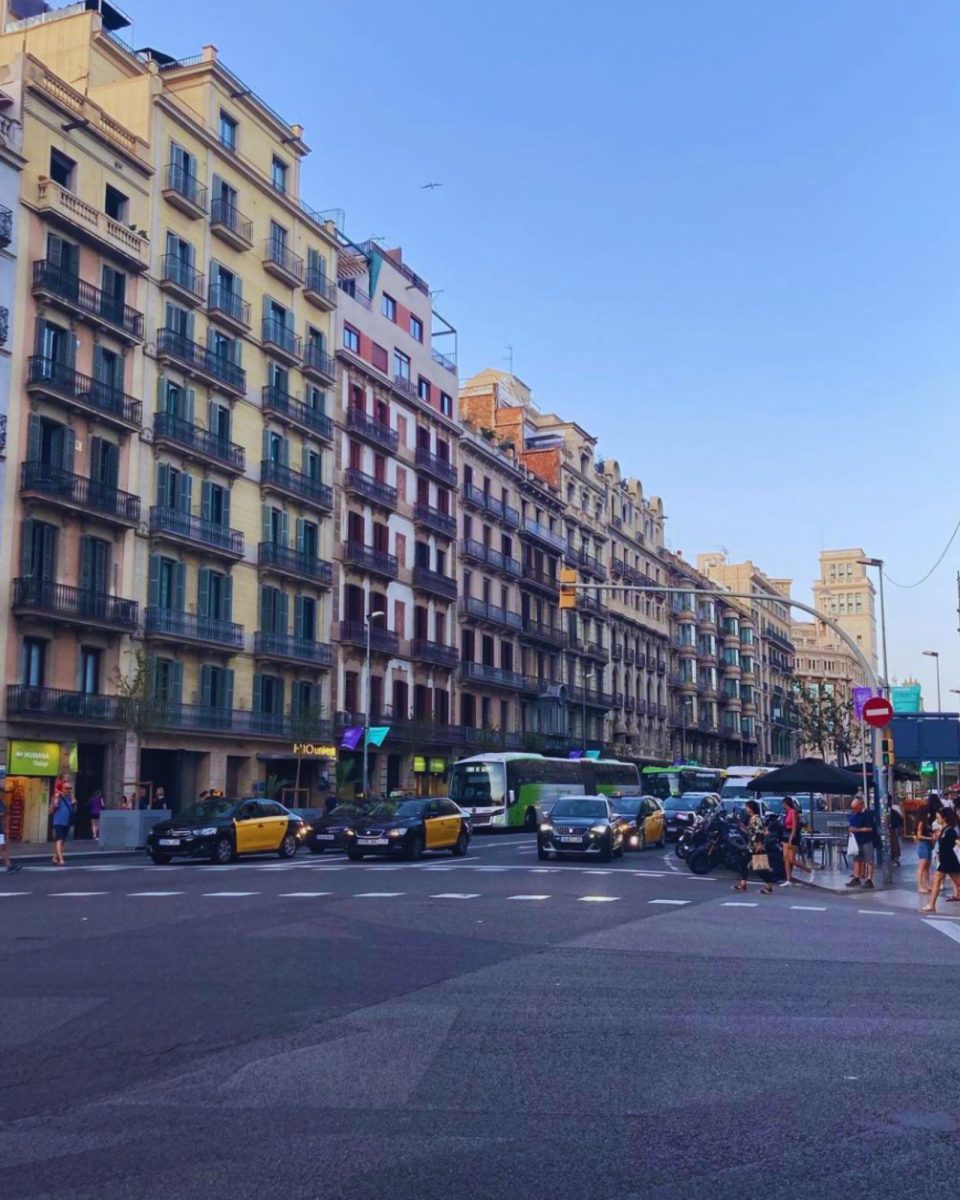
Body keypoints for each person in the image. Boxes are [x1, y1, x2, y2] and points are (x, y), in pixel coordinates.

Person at [922, 807, 960, 914]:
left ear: (944, 818)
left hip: (948, 859)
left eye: (938, 817)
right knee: (957, 882)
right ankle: (931, 905)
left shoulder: (950, 831)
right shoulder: (945, 829)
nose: (937, 819)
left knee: (937, 879)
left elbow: (957, 841)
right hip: (946, 859)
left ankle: (931, 905)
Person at [733, 800, 774, 895]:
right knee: (744, 862)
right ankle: (743, 884)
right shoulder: (752, 818)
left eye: (747, 807)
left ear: (751, 808)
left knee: (759, 867)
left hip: (755, 845)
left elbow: (759, 831)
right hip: (751, 844)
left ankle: (768, 886)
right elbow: (752, 832)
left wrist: (759, 843)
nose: (745, 809)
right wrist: (743, 828)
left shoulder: (756, 818)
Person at [845, 796, 876, 890]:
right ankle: (856, 877)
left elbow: (870, 828)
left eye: (855, 808)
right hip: (856, 840)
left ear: (860, 805)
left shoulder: (867, 814)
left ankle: (869, 879)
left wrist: (857, 830)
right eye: (853, 808)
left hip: (866, 840)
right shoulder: (856, 814)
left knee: (869, 860)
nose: (854, 810)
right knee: (857, 859)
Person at [916, 795, 941, 895]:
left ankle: (927, 884)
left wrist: (931, 835)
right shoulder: (922, 822)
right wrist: (930, 838)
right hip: (923, 844)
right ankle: (920, 886)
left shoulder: (927, 822)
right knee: (922, 865)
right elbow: (919, 835)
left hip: (927, 843)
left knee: (927, 866)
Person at [781, 796, 805, 883]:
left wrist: (791, 839)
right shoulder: (786, 812)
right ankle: (788, 878)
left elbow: (794, 827)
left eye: (783, 804)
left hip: (793, 836)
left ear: (786, 804)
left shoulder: (793, 812)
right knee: (786, 858)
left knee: (791, 859)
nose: (783, 806)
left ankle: (808, 870)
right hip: (786, 835)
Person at [50, 786, 75, 866]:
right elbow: (52, 808)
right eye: (67, 788)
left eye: (70, 788)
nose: (69, 790)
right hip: (58, 822)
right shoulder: (57, 797)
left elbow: (74, 803)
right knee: (59, 840)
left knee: (62, 841)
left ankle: (54, 857)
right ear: (62, 789)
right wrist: (56, 799)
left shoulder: (70, 798)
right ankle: (61, 859)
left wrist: (72, 796)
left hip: (67, 822)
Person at [0, 797, 23, 874]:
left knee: (3, 847)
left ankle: (9, 866)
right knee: (2, 847)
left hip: (0, 830)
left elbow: (4, 815)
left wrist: (6, 828)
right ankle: (9, 866)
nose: (1, 795)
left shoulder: (1, 803)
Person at [887, 802, 903, 868]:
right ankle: (895, 858)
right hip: (892, 830)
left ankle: (895, 858)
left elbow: (899, 820)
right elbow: (900, 819)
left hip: (892, 830)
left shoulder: (893, 812)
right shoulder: (893, 811)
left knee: (894, 844)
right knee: (894, 844)